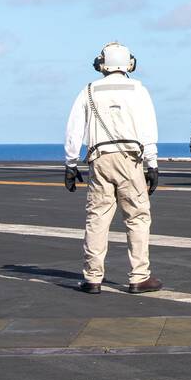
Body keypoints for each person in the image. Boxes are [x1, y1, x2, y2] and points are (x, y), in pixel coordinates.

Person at [64, 41, 162, 294]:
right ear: (129, 64)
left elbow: (75, 128)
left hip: (100, 158)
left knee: (97, 219)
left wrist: (71, 164)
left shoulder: (88, 91)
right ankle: (139, 276)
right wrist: (152, 164)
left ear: (102, 64)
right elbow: (148, 129)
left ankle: (92, 278)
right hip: (130, 159)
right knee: (137, 218)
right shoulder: (138, 90)